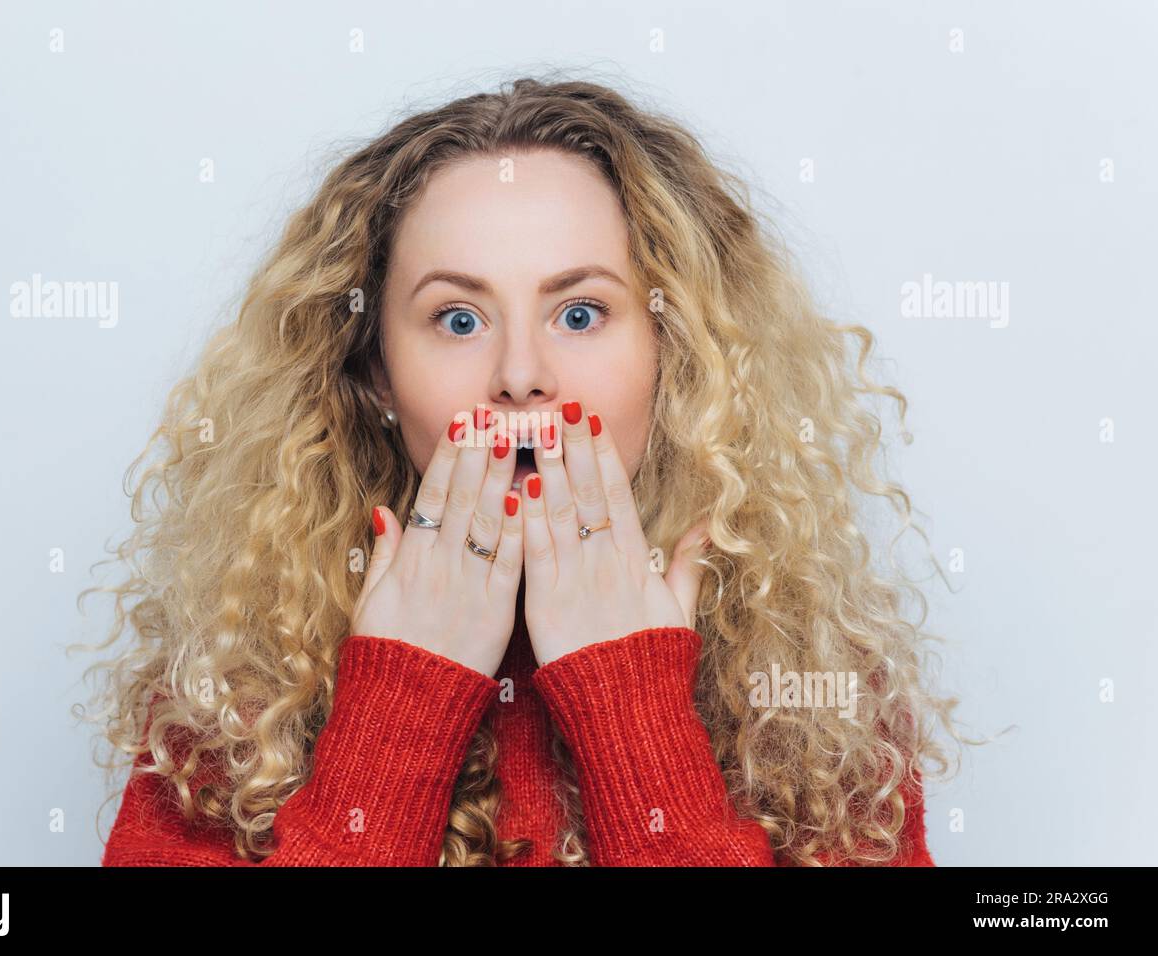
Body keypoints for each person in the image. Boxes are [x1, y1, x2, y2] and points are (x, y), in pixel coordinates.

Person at [76, 75, 964, 867]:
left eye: (580, 313)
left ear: (674, 353)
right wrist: (403, 699)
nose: (519, 374)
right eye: (458, 321)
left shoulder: (810, 688)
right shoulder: (236, 688)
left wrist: (631, 703)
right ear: (376, 370)